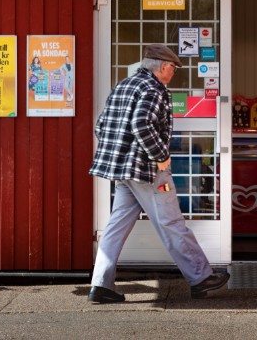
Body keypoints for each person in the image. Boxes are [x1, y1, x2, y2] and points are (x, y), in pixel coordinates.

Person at [87, 44, 229, 304]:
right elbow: (141, 123)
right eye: (173, 68)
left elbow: (101, 126)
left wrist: (121, 151)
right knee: (171, 222)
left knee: (115, 228)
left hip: (124, 172)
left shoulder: (124, 85)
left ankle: (100, 285)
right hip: (148, 171)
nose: (173, 73)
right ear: (163, 66)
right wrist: (160, 156)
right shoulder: (153, 88)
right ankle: (200, 278)